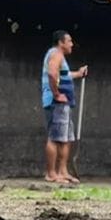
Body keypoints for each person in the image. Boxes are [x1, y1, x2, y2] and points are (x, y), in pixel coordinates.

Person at [42, 30, 88, 184]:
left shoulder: (60, 57)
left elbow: (63, 75)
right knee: (55, 138)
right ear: (61, 42)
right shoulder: (56, 54)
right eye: (69, 41)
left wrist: (79, 73)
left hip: (64, 103)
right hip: (57, 103)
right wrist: (56, 94)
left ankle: (63, 171)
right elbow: (52, 73)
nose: (72, 44)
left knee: (66, 138)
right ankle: (51, 173)